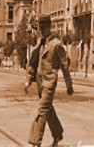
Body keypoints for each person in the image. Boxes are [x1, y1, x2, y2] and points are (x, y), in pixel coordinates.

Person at [25, 14, 73, 147]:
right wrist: (29, 80)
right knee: (48, 110)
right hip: (40, 84)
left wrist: (69, 85)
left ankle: (36, 142)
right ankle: (57, 134)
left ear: (49, 27)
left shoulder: (57, 45)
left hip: (50, 83)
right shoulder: (40, 43)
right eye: (40, 27)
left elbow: (64, 66)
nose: (41, 30)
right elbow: (33, 62)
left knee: (42, 110)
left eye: (43, 28)